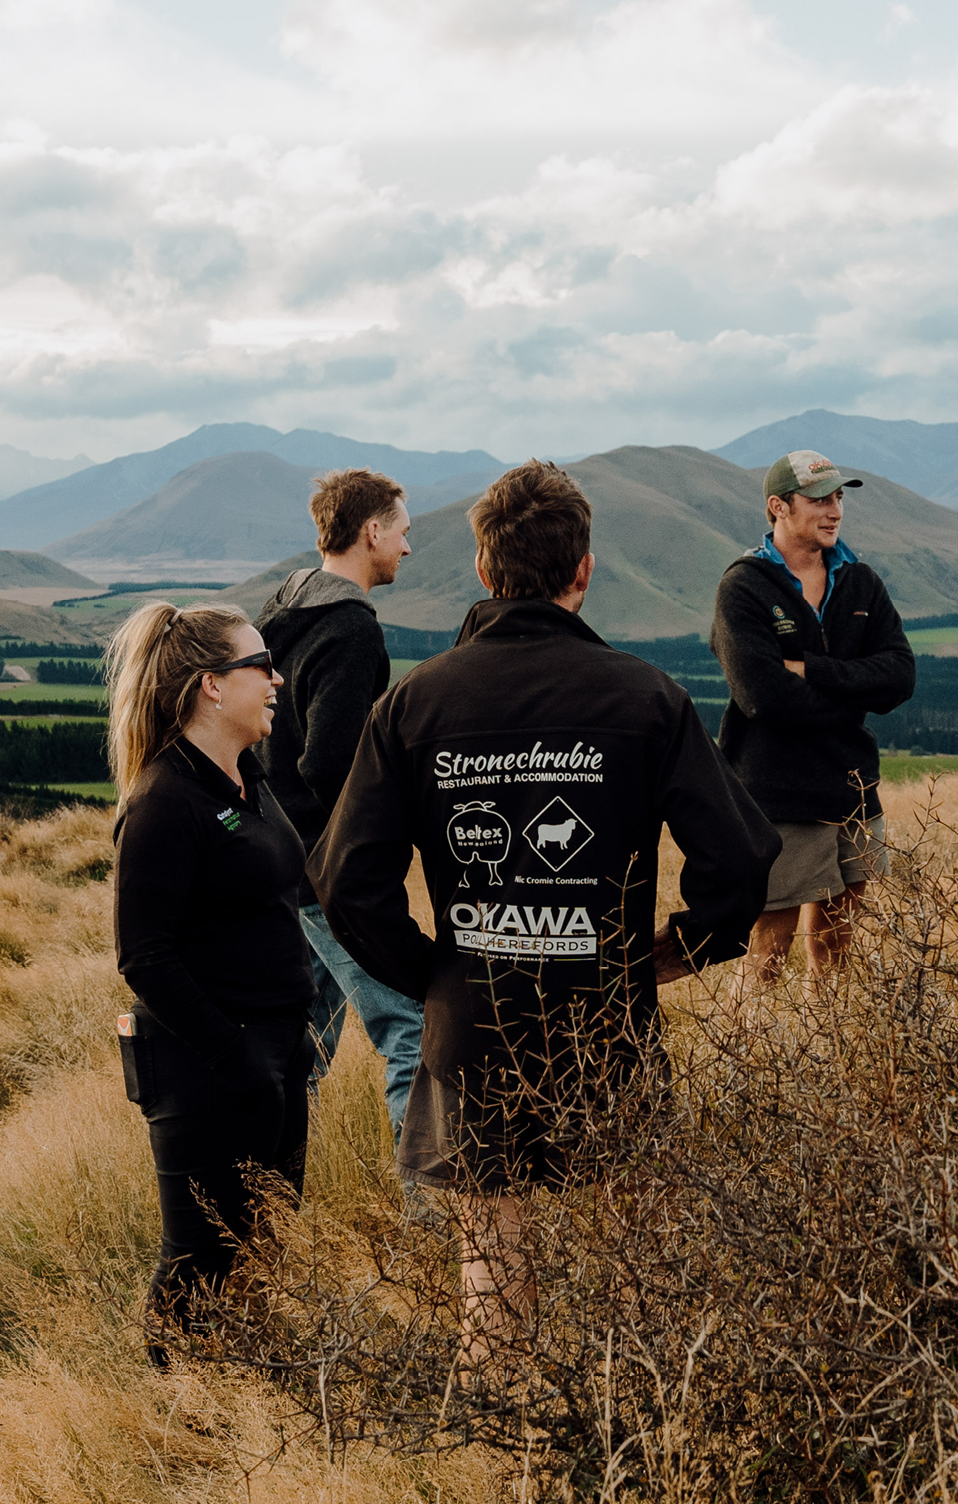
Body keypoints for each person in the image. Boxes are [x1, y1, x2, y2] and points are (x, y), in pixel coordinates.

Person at [309, 460, 779, 1376]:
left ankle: (500, 1424)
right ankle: (638, 1415)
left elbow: (345, 882)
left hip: (473, 1026)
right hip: (605, 1017)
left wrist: (436, 974)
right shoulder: (644, 697)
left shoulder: (415, 702)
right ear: (584, 570)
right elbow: (741, 859)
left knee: (492, 1275)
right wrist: (680, 950)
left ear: (484, 570)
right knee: (634, 1262)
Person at [105, 601, 308, 1368]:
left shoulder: (246, 778)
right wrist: (235, 1054)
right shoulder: (164, 801)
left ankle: (249, 1392)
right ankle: (172, 1412)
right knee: (199, 1257)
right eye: (261, 665)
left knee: (267, 1240)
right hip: (205, 1067)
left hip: (277, 1054)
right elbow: (144, 956)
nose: (276, 680)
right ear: (211, 687)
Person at [254, 467, 423, 1131]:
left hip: (279, 860)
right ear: (371, 531)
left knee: (304, 1045)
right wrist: (387, 834)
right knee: (411, 1028)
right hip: (330, 873)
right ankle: (430, 1194)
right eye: (401, 531)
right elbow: (330, 763)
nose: (407, 547)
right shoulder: (350, 628)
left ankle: (271, 1184)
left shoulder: (279, 612)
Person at [711, 450, 916, 985]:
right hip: (776, 791)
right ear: (778, 506)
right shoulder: (744, 586)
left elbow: (900, 676)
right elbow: (763, 698)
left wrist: (811, 670)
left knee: (839, 936)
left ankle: (827, 1032)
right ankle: (755, 1037)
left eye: (839, 497)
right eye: (820, 499)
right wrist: (854, 693)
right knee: (770, 943)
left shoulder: (860, 581)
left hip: (851, 786)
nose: (835, 510)